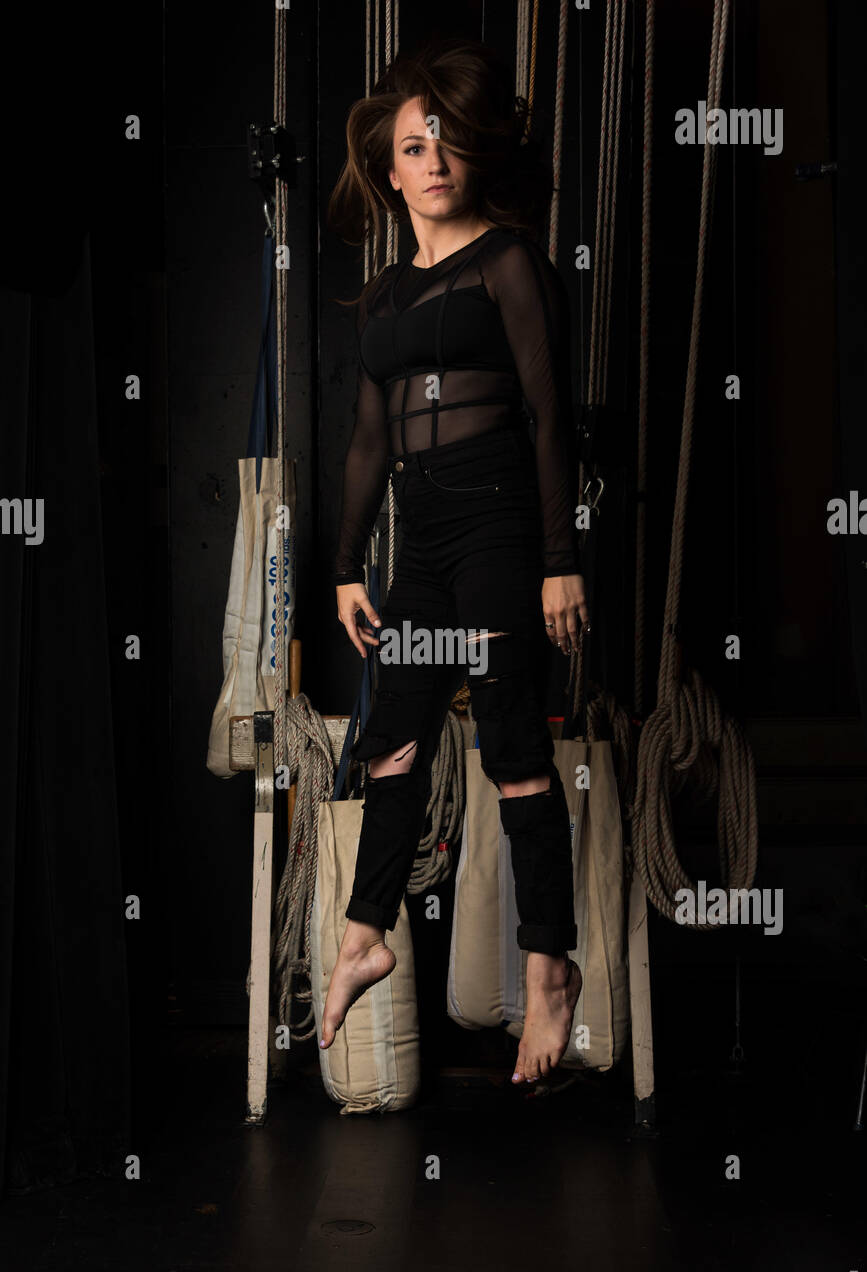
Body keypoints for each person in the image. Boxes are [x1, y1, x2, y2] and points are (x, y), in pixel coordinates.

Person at [321, 38, 589, 1086]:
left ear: (470, 159)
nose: (432, 160)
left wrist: (559, 558)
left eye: (447, 143)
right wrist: (349, 567)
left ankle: (549, 967)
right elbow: (365, 444)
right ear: (392, 173)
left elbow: (548, 412)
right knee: (391, 742)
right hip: (419, 540)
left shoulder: (508, 262)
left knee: (514, 745)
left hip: (498, 527)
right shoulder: (385, 299)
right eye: (413, 146)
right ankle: (363, 937)